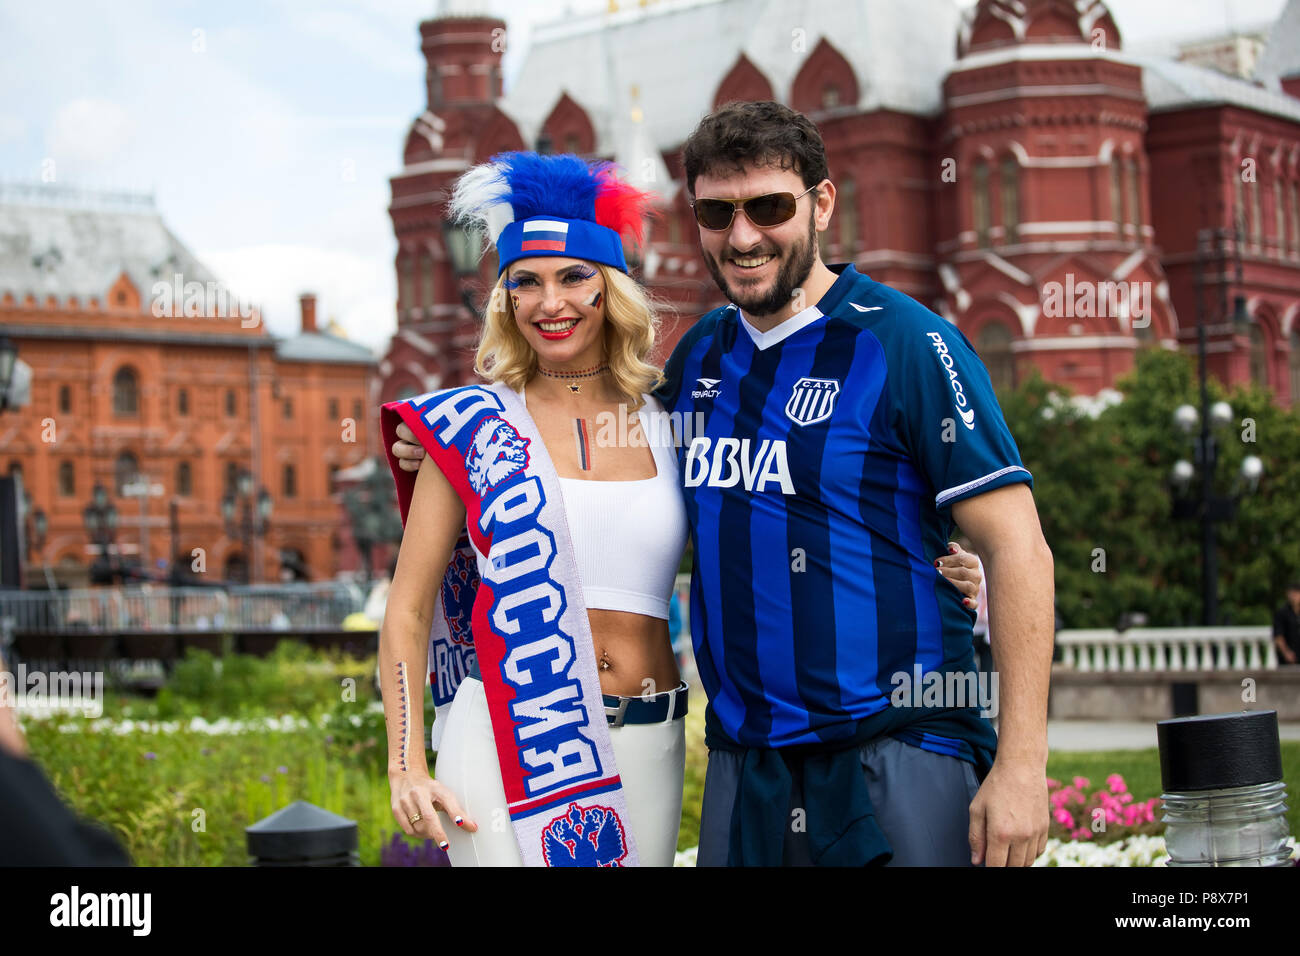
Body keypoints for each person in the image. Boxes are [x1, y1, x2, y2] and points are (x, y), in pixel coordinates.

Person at [384, 150, 984, 867]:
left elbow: (772, 507)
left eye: (576, 277)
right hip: (509, 728)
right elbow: (409, 610)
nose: (553, 303)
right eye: (526, 284)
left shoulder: (670, 420)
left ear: (611, 289)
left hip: (650, 736)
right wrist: (404, 762)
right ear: (504, 300)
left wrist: (933, 562)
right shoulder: (469, 431)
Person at [660, 100, 1053, 866]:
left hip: (898, 751)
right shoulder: (699, 358)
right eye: (716, 212)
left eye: (769, 207)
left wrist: (1022, 766)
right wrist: (445, 448)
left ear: (822, 202)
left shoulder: (906, 341)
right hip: (749, 767)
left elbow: (1018, 549)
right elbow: (590, 459)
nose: (742, 237)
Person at [1274, 582, 1300, 666]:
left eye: (1296, 593)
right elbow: (1278, 635)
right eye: (1291, 593)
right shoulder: (1282, 613)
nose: (1294, 596)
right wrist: (1286, 652)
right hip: (1288, 657)